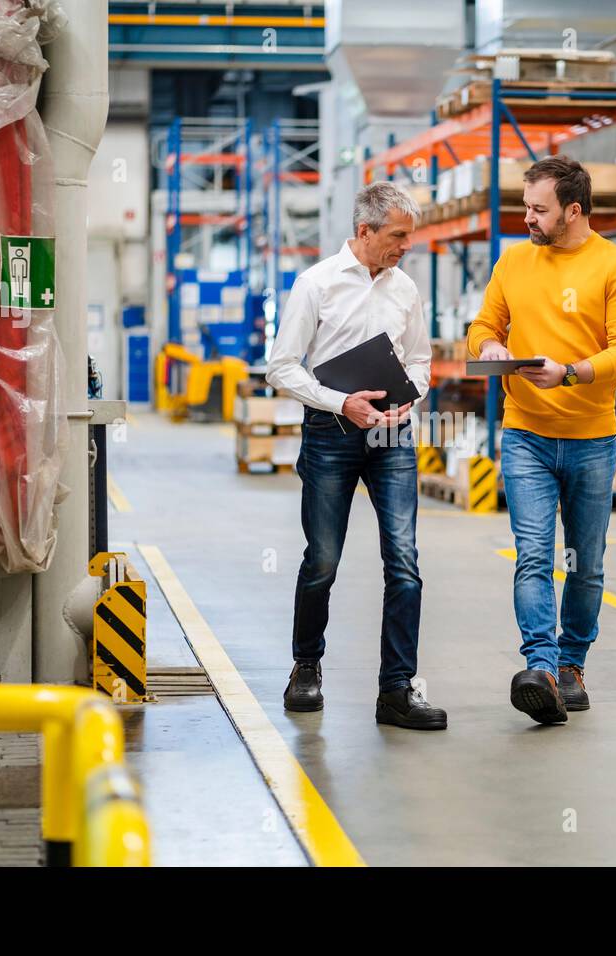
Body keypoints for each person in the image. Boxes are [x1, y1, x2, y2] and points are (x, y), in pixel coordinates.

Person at [465, 155, 616, 725]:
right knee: (535, 557)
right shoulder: (513, 262)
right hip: (526, 435)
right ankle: (540, 667)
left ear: (574, 210)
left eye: (539, 209)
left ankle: (572, 665)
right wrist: (489, 349)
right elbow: (481, 328)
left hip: (592, 438)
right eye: (526, 206)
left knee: (586, 563)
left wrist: (571, 372)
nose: (528, 218)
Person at [266, 180, 447, 731]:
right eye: (397, 236)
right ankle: (306, 667)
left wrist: (407, 400)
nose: (406, 246)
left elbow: (420, 360)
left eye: (410, 236)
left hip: (391, 434)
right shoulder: (316, 284)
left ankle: (397, 689)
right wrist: (341, 402)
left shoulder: (405, 289)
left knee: (405, 563)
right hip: (331, 432)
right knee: (322, 559)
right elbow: (282, 367)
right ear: (364, 231)